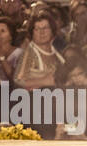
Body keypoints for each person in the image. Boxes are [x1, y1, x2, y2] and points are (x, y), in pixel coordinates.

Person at [8, 9, 68, 138]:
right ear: (32, 32)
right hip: (37, 108)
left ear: (52, 30)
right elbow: (18, 80)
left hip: (55, 106)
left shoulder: (56, 52)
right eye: (37, 29)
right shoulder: (30, 53)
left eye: (45, 28)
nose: (41, 32)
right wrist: (44, 81)